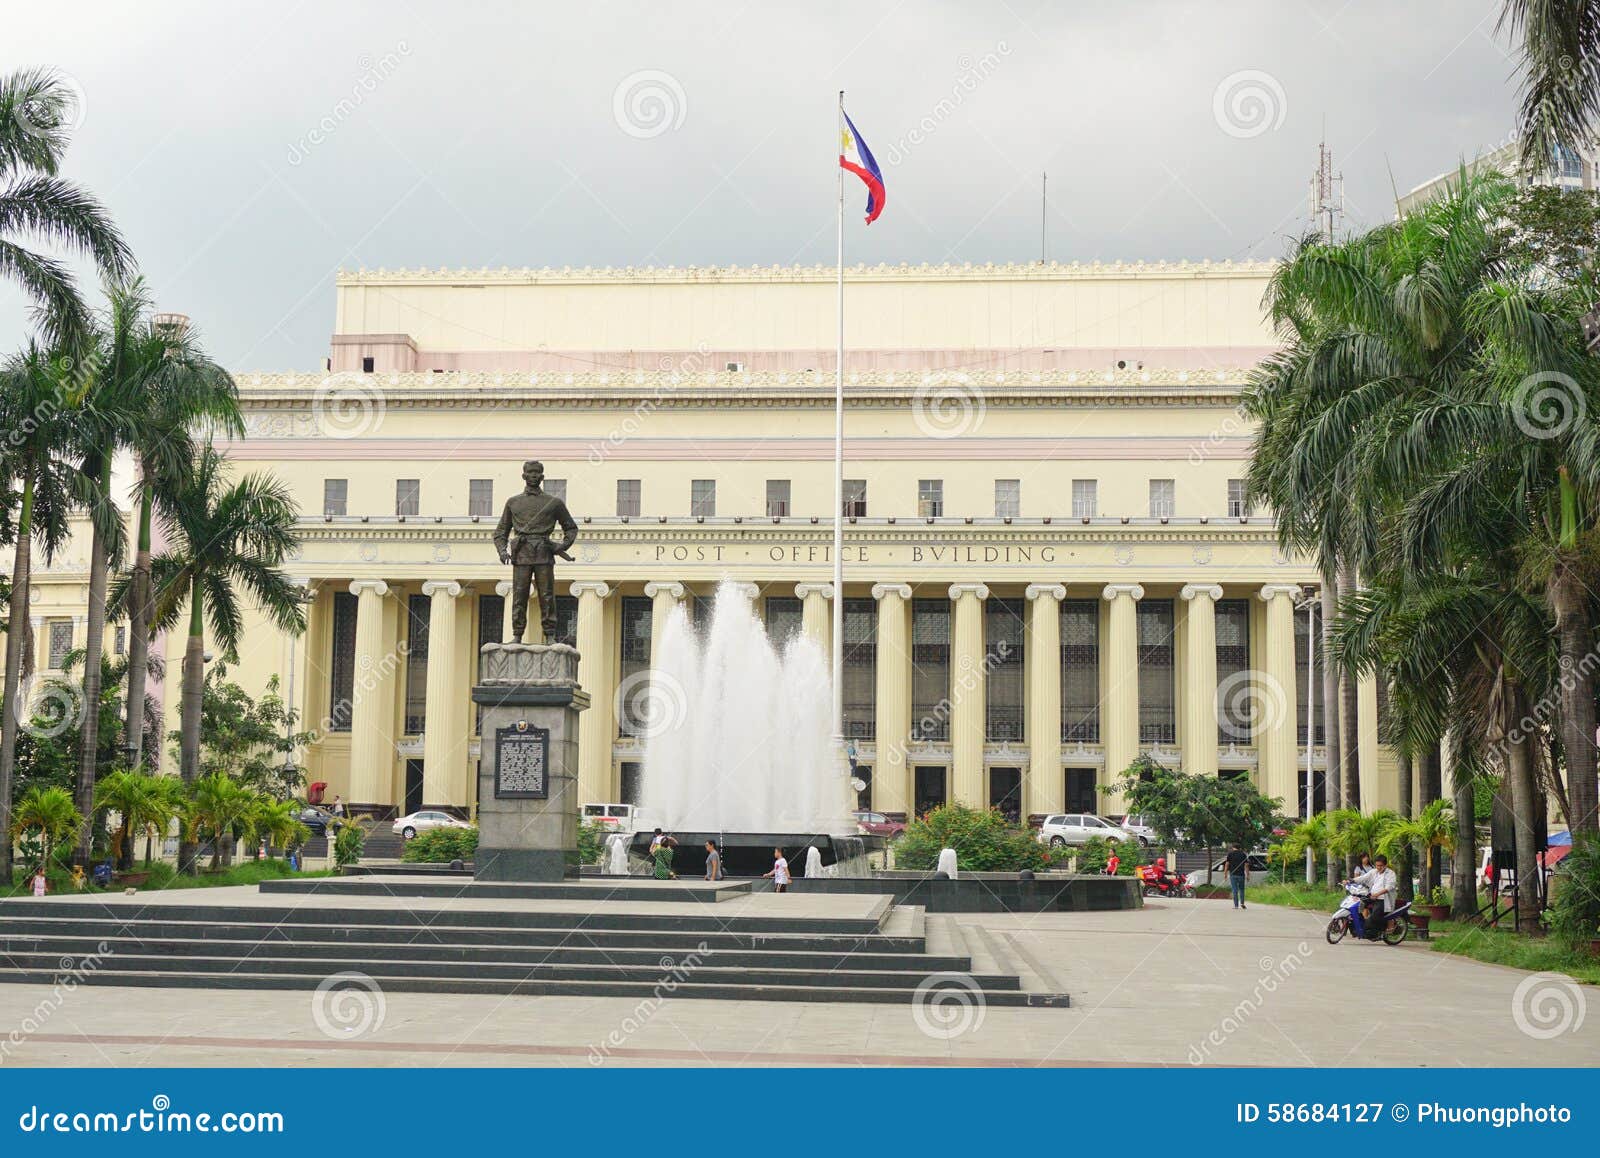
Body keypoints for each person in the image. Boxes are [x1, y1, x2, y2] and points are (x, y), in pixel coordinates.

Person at [493, 459, 578, 643]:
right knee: (519, 595)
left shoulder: (554, 503)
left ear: (542, 476)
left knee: (547, 596)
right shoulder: (513, 502)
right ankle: (517, 635)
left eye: (537, 472)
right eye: (530, 472)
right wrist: (502, 551)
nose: (533, 475)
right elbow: (501, 531)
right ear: (524, 476)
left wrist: (562, 546)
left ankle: (550, 635)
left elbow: (571, 528)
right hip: (522, 554)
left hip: (543, 553)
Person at [1363, 854, 1397, 940]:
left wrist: (1377, 894)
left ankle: (1377, 932)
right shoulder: (1374, 872)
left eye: (1381, 866)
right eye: (1377, 865)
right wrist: (1350, 880)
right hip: (1372, 897)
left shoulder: (1390, 873)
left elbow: (1389, 887)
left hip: (1383, 900)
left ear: (1385, 865)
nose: (1378, 867)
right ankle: (1366, 927)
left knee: (1375, 916)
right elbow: (1363, 878)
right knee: (1360, 907)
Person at [1225, 842, 1249, 909]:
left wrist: (1225, 874)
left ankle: (1236, 905)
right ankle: (1242, 903)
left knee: (1234, 890)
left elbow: (1227, 864)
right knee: (1241, 889)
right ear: (1240, 848)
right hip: (1241, 875)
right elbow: (1246, 865)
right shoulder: (1243, 854)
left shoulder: (1230, 854)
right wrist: (1248, 875)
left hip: (1233, 874)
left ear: (1233, 847)